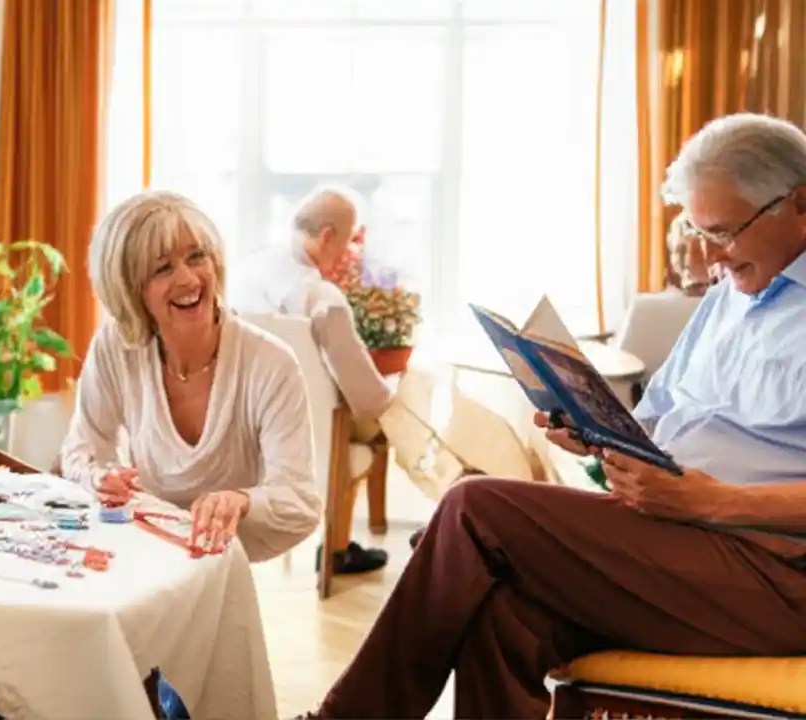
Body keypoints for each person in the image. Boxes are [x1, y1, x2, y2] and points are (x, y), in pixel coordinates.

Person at [298, 112, 806, 720]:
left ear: (798, 204)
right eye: (700, 234)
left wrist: (710, 502)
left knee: (472, 505)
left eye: (725, 233)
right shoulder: (728, 298)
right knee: (505, 612)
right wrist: (596, 433)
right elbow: (663, 422)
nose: (712, 258)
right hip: (678, 539)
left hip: (774, 572)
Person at [61, 190, 321, 561]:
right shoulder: (116, 348)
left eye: (197, 257)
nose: (188, 279)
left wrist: (241, 499)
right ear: (131, 290)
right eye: (162, 268)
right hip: (141, 548)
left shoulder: (271, 364)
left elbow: (299, 503)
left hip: (224, 561)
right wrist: (99, 478)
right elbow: (81, 451)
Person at [229, 185, 393, 574]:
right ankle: (337, 546)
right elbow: (361, 387)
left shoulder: (247, 268)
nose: (349, 253)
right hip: (307, 423)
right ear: (327, 237)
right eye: (349, 241)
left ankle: (338, 544)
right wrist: (387, 403)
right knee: (379, 428)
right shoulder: (322, 296)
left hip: (241, 411)